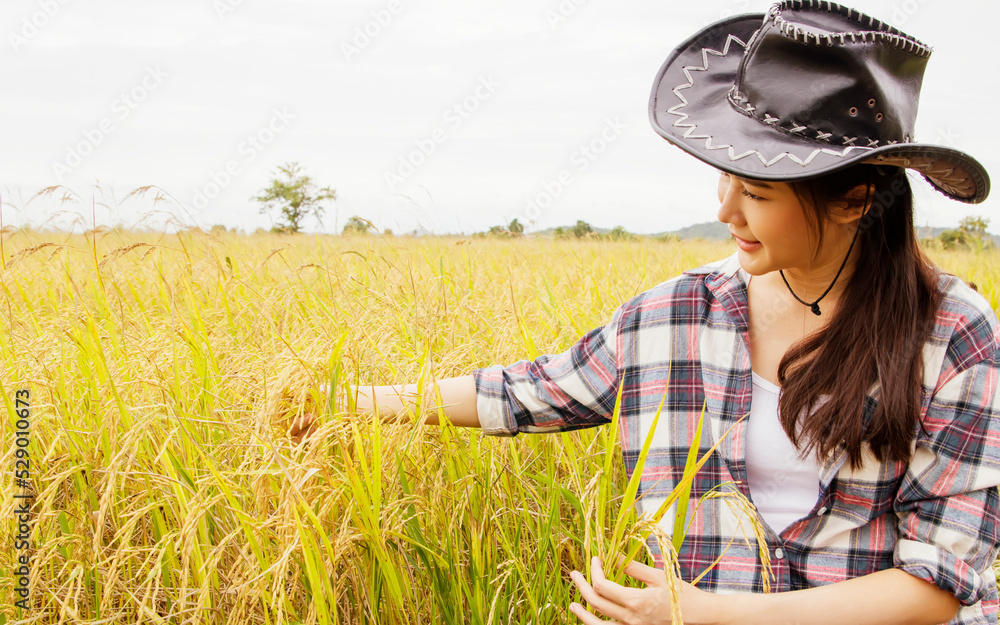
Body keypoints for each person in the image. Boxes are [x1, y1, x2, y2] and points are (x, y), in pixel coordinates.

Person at [290, 2, 1000, 624]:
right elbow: (529, 391)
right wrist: (348, 403)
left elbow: (937, 583)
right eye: (725, 176)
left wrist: (706, 613)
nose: (724, 210)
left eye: (756, 190)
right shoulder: (673, 315)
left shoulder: (953, 335)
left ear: (852, 199)